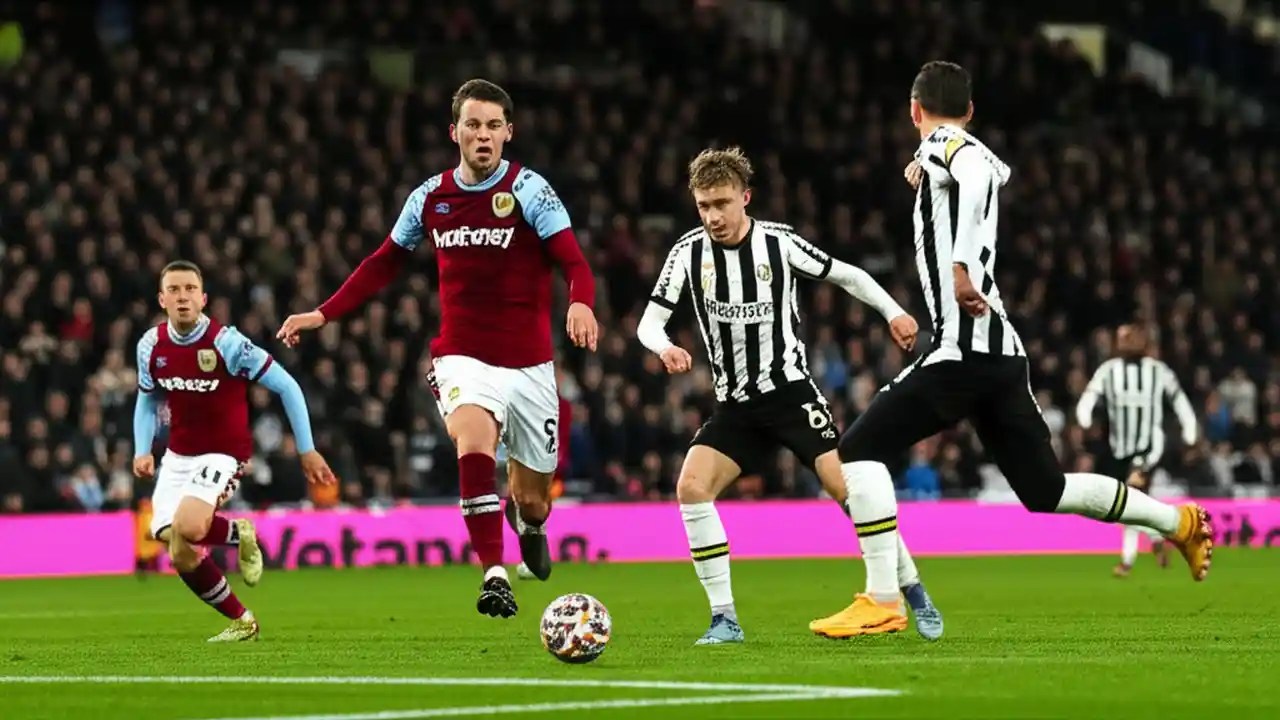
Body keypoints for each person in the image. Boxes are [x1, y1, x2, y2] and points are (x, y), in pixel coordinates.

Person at [816, 61, 1214, 638]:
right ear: (971, 108)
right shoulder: (944, 153)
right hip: (999, 356)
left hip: (965, 351)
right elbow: (982, 168)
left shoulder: (955, 147)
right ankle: (1176, 521)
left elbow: (978, 170)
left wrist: (959, 264)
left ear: (913, 110)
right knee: (1046, 489)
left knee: (855, 454)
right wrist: (925, 164)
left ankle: (883, 597)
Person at [276, 79, 598, 618]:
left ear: (508, 133)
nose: (483, 134)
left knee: (534, 498)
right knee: (471, 438)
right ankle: (494, 573)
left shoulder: (531, 190)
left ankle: (531, 525)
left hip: (531, 366)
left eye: (494, 125)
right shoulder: (429, 197)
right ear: (455, 133)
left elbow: (574, 261)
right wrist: (322, 312)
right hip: (461, 356)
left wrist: (581, 302)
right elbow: (383, 262)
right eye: (473, 124)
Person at [637, 146, 944, 644]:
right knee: (691, 488)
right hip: (736, 406)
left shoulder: (778, 244)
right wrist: (665, 346)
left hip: (790, 395)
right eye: (704, 206)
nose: (713, 216)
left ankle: (909, 587)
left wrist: (893, 312)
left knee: (849, 491)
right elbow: (649, 323)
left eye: (722, 203)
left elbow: (848, 274)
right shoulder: (688, 253)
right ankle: (724, 619)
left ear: (745, 198)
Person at [134, 261, 336, 642]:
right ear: (162, 299)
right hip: (179, 455)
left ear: (203, 298)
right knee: (174, 546)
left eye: (190, 289)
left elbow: (288, 386)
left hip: (223, 452)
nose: (182, 297)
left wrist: (307, 450)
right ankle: (242, 616)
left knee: (189, 528)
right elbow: (147, 400)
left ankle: (228, 534)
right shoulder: (150, 346)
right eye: (174, 290)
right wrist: (142, 449)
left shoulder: (227, 343)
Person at [1077, 323, 1198, 576]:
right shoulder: (1108, 371)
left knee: (1130, 498)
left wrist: (1190, 429)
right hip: (1120, 448)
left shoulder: (1158, 371)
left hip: (1149, 446)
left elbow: (1179, 399)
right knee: (1137, 501)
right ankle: (1158, 537)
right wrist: (1085, 417)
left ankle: (1127, 561)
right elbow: (1089, 395)